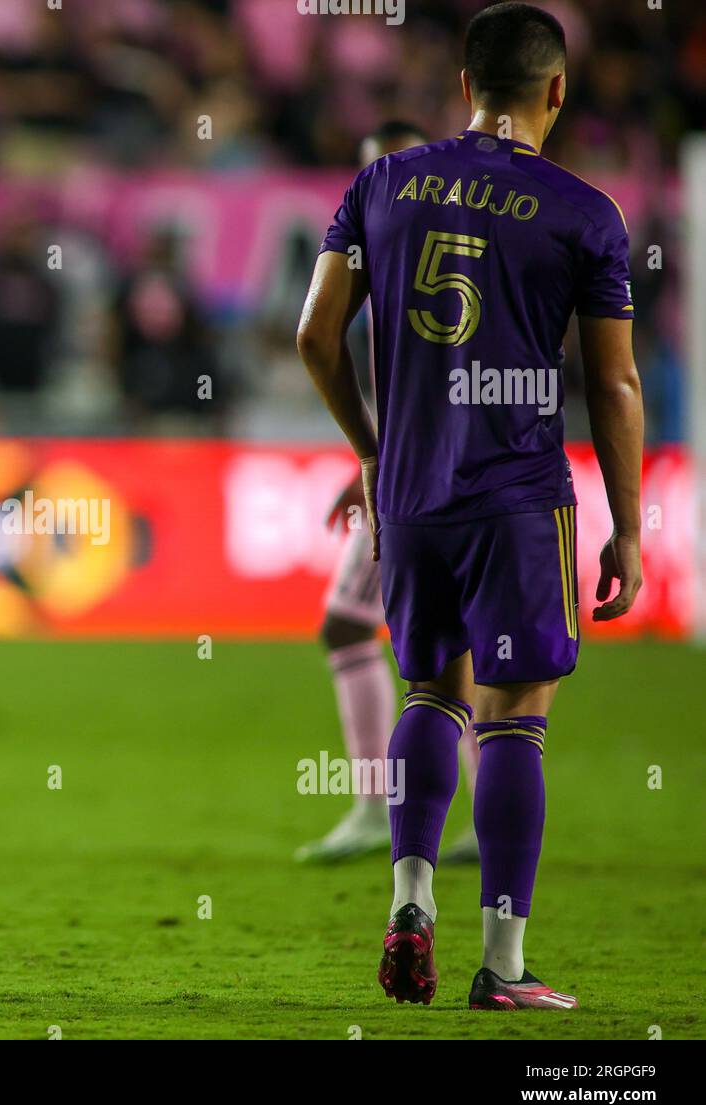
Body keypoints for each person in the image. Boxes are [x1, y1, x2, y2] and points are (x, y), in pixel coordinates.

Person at [297, 4, 643, 1009]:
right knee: (513, 721)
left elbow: (316, 337)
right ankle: (500, 962)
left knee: (428, 696)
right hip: (517, 498)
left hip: (410, 498)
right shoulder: (582, 211)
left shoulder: (382, 183)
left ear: (462, 87)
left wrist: (371, 450)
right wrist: (625, 522)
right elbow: (614, 385)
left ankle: (409, 899)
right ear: (556, 91)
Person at [297, 120, 482, 867]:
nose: (377, 183)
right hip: (471, 464)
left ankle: (383, 808)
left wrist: (376, 456)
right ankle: (482, 817)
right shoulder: (455, 241)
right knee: (461, 642)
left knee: (368, 631)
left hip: (416, 476)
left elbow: (317, 339)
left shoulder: (391, 250)